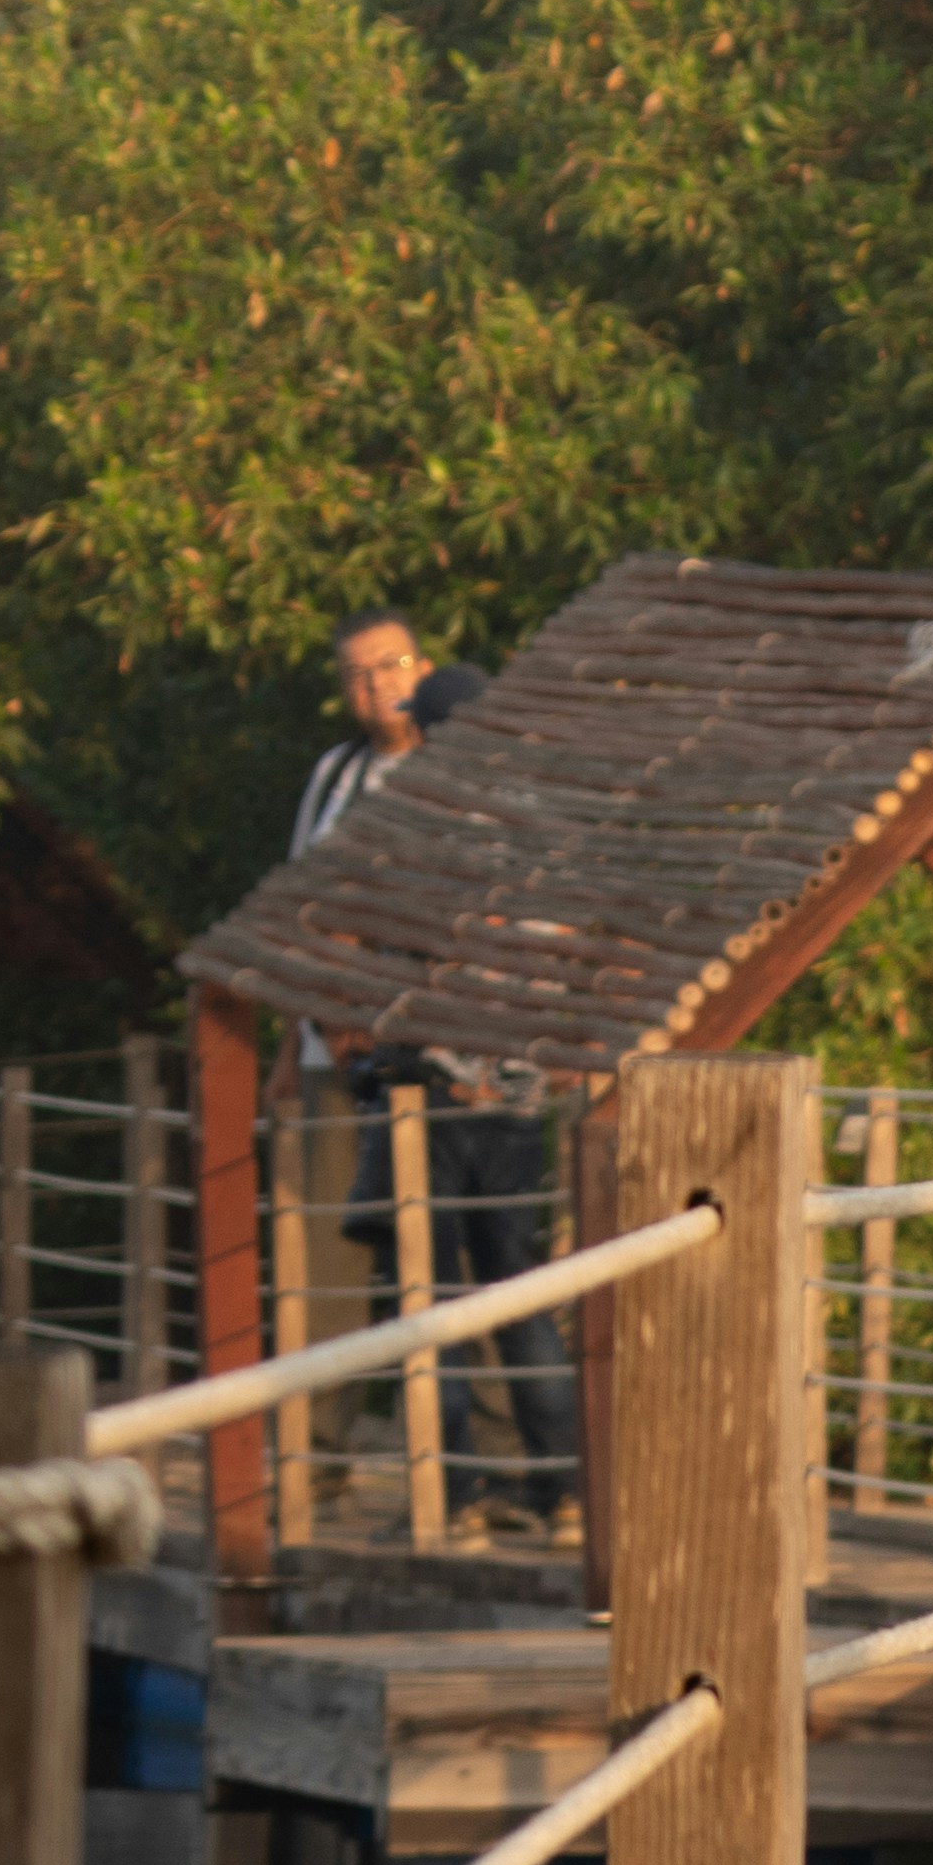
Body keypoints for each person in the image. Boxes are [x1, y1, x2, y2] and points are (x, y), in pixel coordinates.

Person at [286, 605, 580, 1513]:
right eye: (361, 674)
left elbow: (377, 923)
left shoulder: (456, 808)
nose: (384, 691)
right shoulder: (350, 778)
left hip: (441, 1080)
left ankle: (465, 1488)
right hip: (452, 1077)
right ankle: (538, 1487)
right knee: (485, 1288)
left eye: (396, 669)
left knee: (440, 1288)